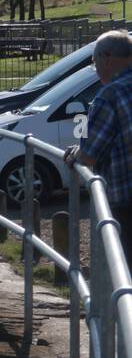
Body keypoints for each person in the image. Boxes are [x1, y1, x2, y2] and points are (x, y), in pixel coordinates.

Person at [65, 31, 132, 257]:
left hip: (125, 201)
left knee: (121, 269)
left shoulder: (109, 95)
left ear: (106, 57)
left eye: (94, 63)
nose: (96, 69)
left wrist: (76, 152)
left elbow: (90, 155)